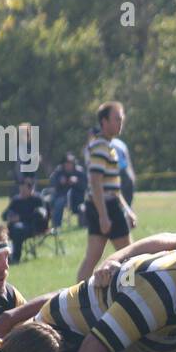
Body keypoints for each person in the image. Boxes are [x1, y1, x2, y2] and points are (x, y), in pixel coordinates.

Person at [77, 101, 138, 283]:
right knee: (130, 256)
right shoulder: (101, 147)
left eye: (122, 119)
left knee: (92, 258)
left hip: (103, 204)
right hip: (106, 206)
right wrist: (104, 215)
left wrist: (127, 210)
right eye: (117, 119)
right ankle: (129, 294)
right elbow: (95, 182)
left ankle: (76, 299)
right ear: (104, 121)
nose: (121, 123)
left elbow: (112, 185)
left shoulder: (108, 146)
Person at [1, 177, 48, 264]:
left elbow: (40, 215)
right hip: (15, 227)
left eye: (24, 189)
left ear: (31, 189)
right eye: (21, 189)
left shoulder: (37, 199)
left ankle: (15, 257)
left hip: (33, 227)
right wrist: (9, 216)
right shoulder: (16, 200)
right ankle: (5, 256)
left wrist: (20, 218)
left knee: (17, 229)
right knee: (3, 231)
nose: (22, 192)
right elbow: (4, 215)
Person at [49, 153, 86, 229]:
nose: (68, 165)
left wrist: (77, 182)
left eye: (70, 163)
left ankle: (83, 224)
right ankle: (56, 226)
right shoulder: (59, 171)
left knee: (82, 207)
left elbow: (85, 186)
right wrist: (60, 181)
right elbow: (52, 181)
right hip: (61, 196)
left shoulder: (79, 172)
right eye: (66, 163)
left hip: (77, 198)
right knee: (57, 202)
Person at [112, 134, 136, 206]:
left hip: (115, 173)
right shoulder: (121, 144)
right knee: (127, 202)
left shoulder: (106, 144)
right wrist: (132, 176)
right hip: (125, 173)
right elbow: (128, 162)